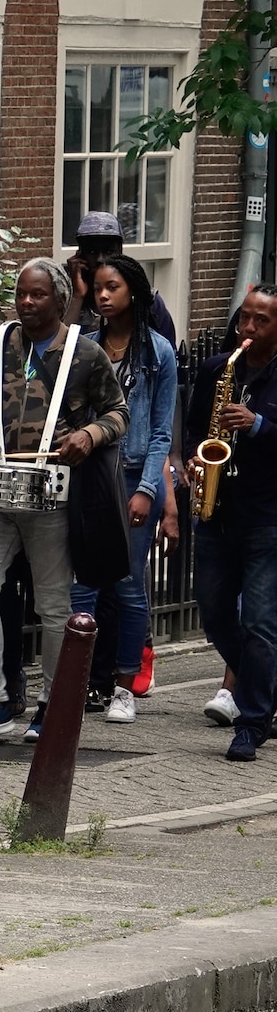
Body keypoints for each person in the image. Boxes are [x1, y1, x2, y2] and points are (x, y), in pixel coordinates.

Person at [0, 258, 129, 744]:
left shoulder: (86, 353)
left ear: (60, 299)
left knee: (53, 604)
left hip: (52, 492)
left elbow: (118, 412)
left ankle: (53, 705)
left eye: (37, 295)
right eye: (20, 294)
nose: (26, 303)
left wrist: (90, 435)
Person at [72, 255, 178, 722]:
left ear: (132, 291)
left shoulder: (157, 353)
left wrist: (149, 490)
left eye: (111, 286)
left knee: (130, 583)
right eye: (97, 288)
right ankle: (75, 682)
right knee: (82, 585)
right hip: (93, 476)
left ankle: (123, 685)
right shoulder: (87, 347)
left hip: (136, 475)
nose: (102, 295)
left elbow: (161, 433)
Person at [179, 282, 277, 762]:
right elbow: (196, 429)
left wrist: (258, 425)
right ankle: (266, 688)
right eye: (245, 319)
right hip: (217, 511)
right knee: (214, 613)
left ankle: (252, 722)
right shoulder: (219, 369)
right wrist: (197, 460)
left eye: (262, 321)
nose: (250, 329)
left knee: (259, 622)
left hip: (267, 516)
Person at [65, 211, 178, 346]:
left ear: (120, 252)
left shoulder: (148, 301)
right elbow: (56, 352)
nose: (100, 259)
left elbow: (167, 351)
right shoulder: (66, 299)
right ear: (79, 256)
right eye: (92, 252)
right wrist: (77, 296)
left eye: (108, 252)